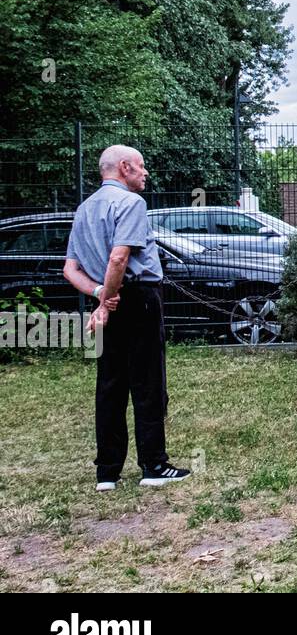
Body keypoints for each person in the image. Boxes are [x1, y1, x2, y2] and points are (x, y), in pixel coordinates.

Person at [62, 145, 190, 491]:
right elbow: (120, 258)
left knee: (109, 384)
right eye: (141, 166)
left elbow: (70, 269)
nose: (145, 173)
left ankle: (107, 472)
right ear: (124, 167)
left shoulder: (84, 209)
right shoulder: (132, 203)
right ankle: (154, 466)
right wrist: (106, 301)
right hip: (136, 299)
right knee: (147, 382)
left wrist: (98, 295)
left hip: (109, 299)